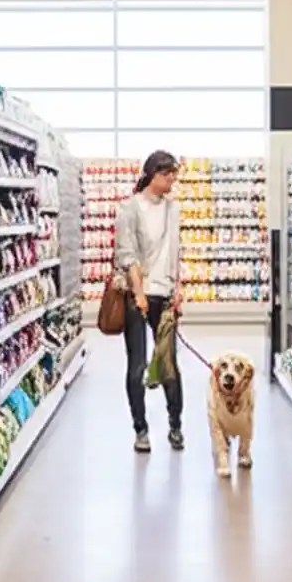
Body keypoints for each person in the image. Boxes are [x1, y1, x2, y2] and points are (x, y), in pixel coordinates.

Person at [115, 150, 184, 453]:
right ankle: (140, 429)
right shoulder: (129, 209)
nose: (173, 180)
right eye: (168, 174)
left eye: (174, 175)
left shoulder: (173, 210)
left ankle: (175, 424)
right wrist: (139, 293)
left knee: (168, 364)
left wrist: (178, 286)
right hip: (136, 296)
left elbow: (175, 252)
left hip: (166, 295)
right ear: (153, 174)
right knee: (138, 365)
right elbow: (127, 253)